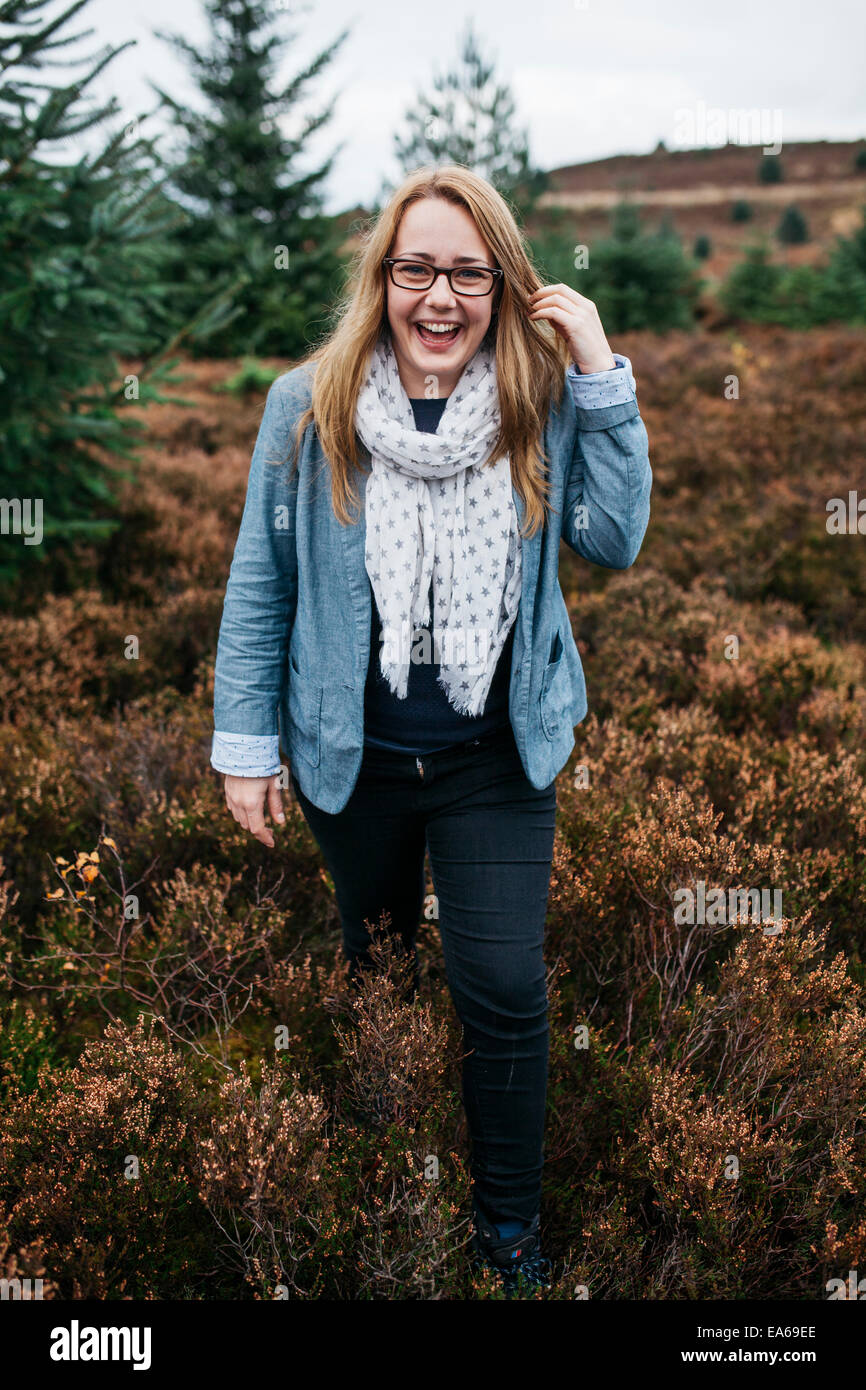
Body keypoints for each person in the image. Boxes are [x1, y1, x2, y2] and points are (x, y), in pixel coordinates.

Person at [210, 165, 652, 1297]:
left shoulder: (540, 395)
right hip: (346, 760)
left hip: (492, 758)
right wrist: (245, 745)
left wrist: (600, 374)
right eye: (416, 269)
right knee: (379, 965)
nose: (439, 297)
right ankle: (387, 1171)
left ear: (502, 286)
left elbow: (611, 538)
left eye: (467, 272)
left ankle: (507, 1233)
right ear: (383, 278)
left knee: (501, 983)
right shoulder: (303, 404)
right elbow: (263, 580)